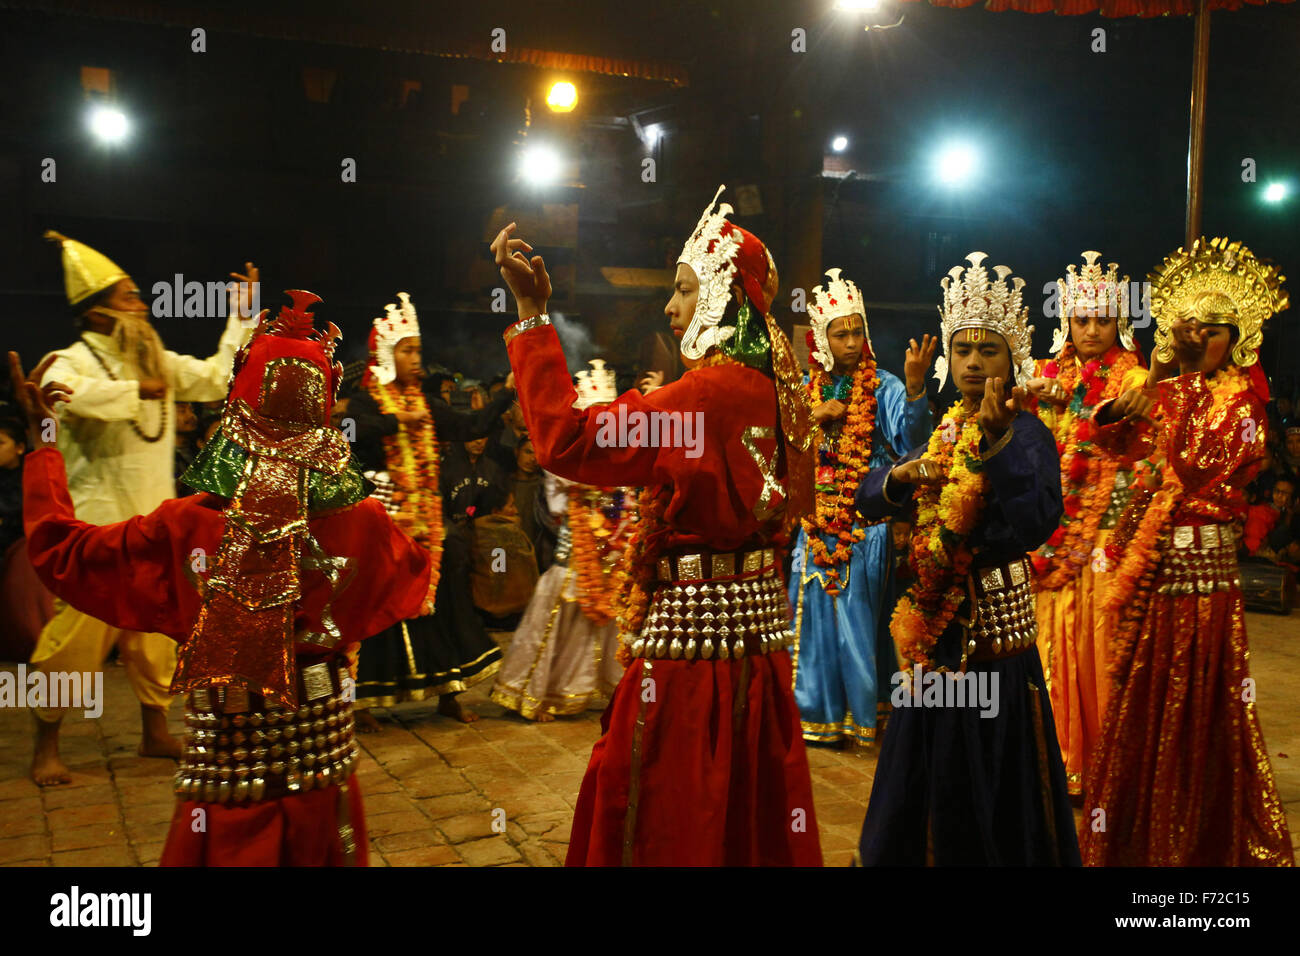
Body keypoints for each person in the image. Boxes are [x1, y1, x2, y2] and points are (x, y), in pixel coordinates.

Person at [11, 290, 432, 865]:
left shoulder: (183, 527)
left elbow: (61, 551)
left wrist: (45, 449)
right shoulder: (365, 523)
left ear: (236, 407)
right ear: (326, 407)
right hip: (323, 777)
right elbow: (410, 574)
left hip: (226, 790)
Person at [492, 186, 823, 866]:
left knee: (663, 796)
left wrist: (531, 316)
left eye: (682, 289)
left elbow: (568, 443)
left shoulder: (697, 399)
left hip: (689, 653)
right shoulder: (788, 394)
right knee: (749, 802)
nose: (671, 307)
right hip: (760, 646)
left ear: (720, 298)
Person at [854, 252, 1077, 866]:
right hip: (936, 630)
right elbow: (869, 498)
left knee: (990, 761)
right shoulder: (946, 427)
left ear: (1014, 359)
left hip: (995, 639)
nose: (974, 363)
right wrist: (899, 475)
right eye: (963, 351)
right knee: (925, 759)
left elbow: (1035, 523)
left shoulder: (1029, 431)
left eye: (989, 351)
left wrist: (1002, 443)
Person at [1082, 237, 1294, 866]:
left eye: (1216, 331)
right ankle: (1135, 828)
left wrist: (1182, 379)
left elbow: (1202, 465)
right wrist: (1152, 379)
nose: (1202, 340)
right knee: (1144, 692)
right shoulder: (1167, 389)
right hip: (1154, 572)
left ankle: (1197, 835)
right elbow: (1112, 437)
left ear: (1238, 339)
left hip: (1206, 578)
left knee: (1204, 696)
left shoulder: (1243, 407)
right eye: (1191, 328)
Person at [27, 232, 254, 786]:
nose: (144, 305)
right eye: (130, 297)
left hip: (155, 530)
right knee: (72, 643)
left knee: (155, 639)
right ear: (99, 311)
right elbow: (59, 394)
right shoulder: (68, 360)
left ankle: (155, 731)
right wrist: (138, 393)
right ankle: (46, 746)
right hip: (97, 532)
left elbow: (218, 378)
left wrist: (240, 318)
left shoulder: (152, 358)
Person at [346, 292, 515, 725]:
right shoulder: (368, 403)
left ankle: (448, 692)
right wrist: (395, 423)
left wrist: (505, 397)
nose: (416, 357)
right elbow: (348, 433)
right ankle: (364, 698)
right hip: (384, 518)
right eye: (407, 349)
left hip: (426, 523)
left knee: (441, 592)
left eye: (418, 348)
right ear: (386, 355)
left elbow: (470, 426)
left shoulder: (426, 404)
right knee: (379, 603)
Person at [1019, 251, 1148, 798]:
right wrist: (1030, 399)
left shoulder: (1135, 376)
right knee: (1050, 640)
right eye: (1080, 319)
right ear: (1066, 321)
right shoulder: (1047, 375)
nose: (1091, 329)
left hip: (1103, 540)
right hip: (1049, 537)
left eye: (1102, 318)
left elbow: (1149, 454)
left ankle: (1099, 764)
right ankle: (1052, 758)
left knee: (1095, 643)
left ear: (1119, 320)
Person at [788, 268, 933, 747]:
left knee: (855, 624)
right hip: (813, 526)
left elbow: (912, 445)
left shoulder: (885, 386)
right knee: (807, 621)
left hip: (864, 528)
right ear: (823, 339)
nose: (851, 342)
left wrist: (915, 392)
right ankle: (814, 715)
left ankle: (861, 717)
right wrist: (813, 420)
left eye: (857, 332)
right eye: (840, 333)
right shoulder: (806, 390)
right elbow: (783, 454)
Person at [491, 360, 633, 722]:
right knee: (562, 612)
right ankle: (537, 692)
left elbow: (628, 500)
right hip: (576, 550)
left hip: (612, 553)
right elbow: (556, 506)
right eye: (598, 417)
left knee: (607, 621)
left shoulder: (623, 457)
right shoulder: (566, 459)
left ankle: (607, 687)